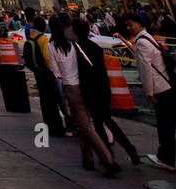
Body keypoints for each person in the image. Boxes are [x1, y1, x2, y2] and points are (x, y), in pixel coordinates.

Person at [47, 17, 119, 176]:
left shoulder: (52, 46)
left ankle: (108, 159)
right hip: (84, 86)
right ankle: (87, 159)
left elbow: (55, 71)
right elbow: (87, 64)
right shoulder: (73, 44)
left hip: (71, 87)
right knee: (83, 123)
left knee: (85, 125)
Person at [72, 19, 139, 166]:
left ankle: (110, 153)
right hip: (102, 89)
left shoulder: (77, 50)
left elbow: (82, 73)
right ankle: (126, 149)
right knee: (105, 121)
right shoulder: (95, 47)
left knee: (99, 123)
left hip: (91, 91)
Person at [121, 13, 176, 171]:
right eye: (127, 25)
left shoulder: (142, 42)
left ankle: (166, 157)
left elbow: (145, 69)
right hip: (166, 84)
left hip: (159, 87)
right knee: (167, 122)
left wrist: (149, 92)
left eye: (131, 24)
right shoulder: (147, 38)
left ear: (139, 24)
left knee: (165, 124)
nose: (129, 28)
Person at [23, 15, 70, 138]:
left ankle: (49, 124)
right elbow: (47, 58)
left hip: (38, 73)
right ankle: (57, 127)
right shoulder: (43, 39)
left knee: (45, 101)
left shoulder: (32, 37)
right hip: (47, 74)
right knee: (52, 101)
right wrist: (56, 72)